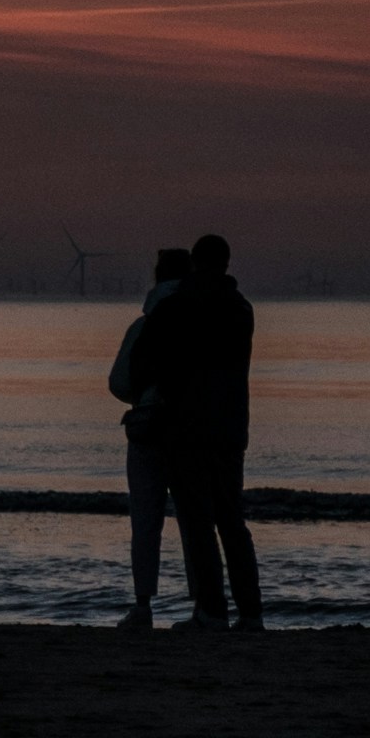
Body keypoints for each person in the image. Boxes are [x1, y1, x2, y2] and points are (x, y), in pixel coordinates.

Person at [125, 231, 260, 630]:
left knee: (199, 522)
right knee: (232, 521)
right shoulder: (242, 309)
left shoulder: (177, 308)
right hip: (232, 428)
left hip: (187, 429)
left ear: (196, 263)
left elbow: (142, 364)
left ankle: (211, 611)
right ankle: (251, 613)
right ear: (227, 262)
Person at [104, 247, 190, 629]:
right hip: (191, 431)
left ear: (156, 276)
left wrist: (145, 394)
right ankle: (204, 605)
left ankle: (143, 606)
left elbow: (118, 383)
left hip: (147, 429)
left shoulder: (142, 326)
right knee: (194, 520)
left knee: (145, 520)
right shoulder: (203, 321)